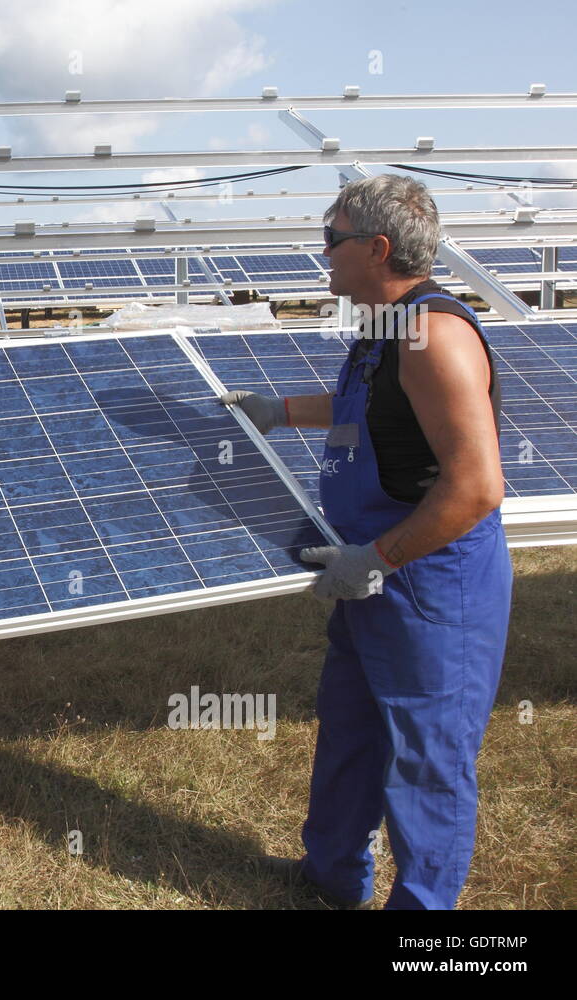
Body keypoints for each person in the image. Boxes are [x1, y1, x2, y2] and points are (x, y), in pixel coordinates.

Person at [222, 174, 511, 910]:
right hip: (373, 574)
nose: (324, 255)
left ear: (376, 250)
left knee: (426, 761)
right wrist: (279, 410)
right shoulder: (386, 327)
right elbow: (365, 412)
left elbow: (477, 486)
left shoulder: (434, 337)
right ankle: (332, 878)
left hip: (428, 581)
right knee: (350, 731)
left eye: (333, 240)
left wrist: (376, 559)